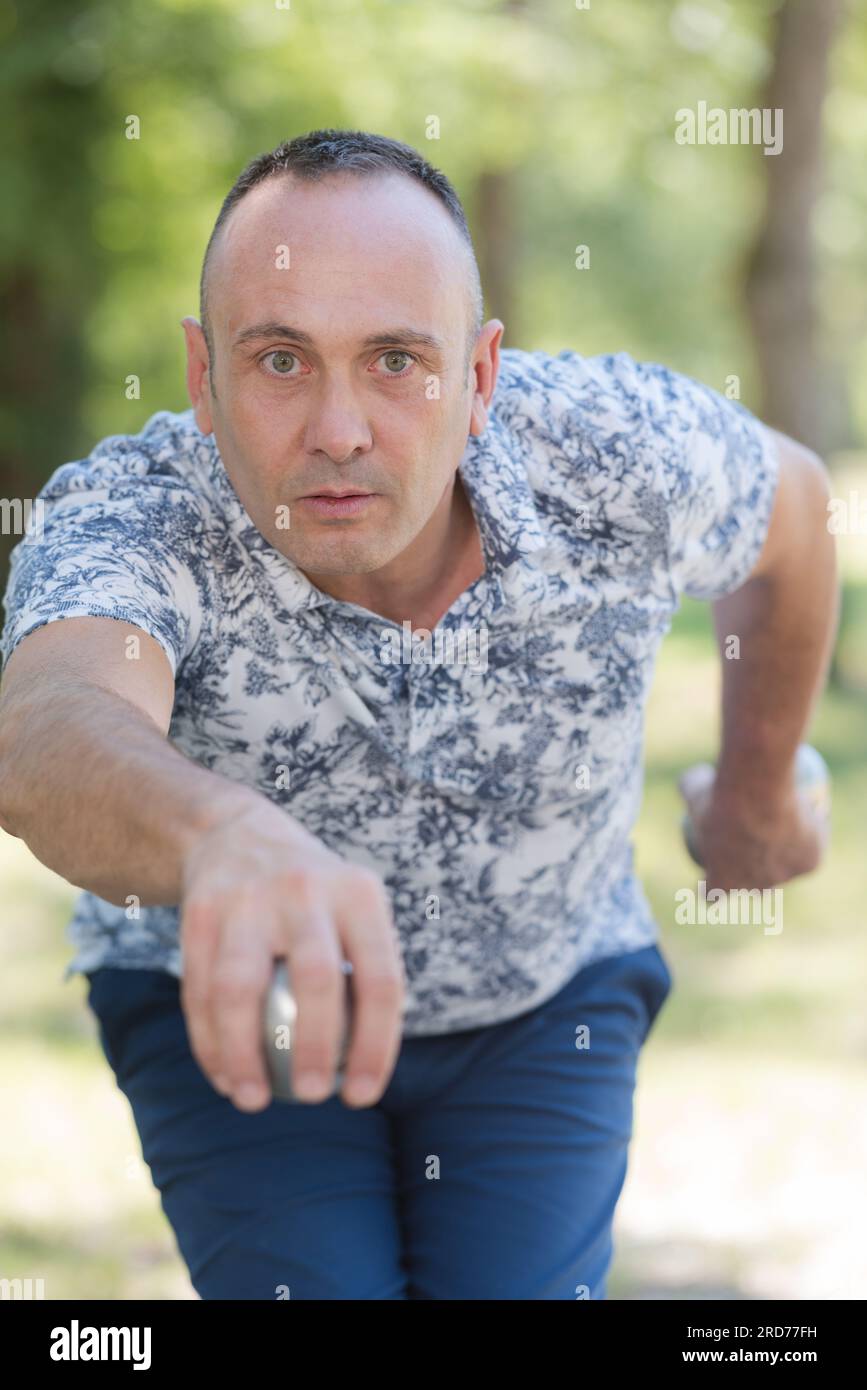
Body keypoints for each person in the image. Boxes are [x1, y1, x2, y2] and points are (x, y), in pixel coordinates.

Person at [0, 129, 836, 1300]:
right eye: (281, 360)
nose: (340, 428)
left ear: (482, 374)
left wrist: (756, 791)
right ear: (201, 376)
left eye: (397, 359)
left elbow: (796, 516)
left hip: (544, 999)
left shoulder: (612, 454)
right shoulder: (142, 514)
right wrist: (218, 838)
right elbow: (47, 720)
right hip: (245, 1003)